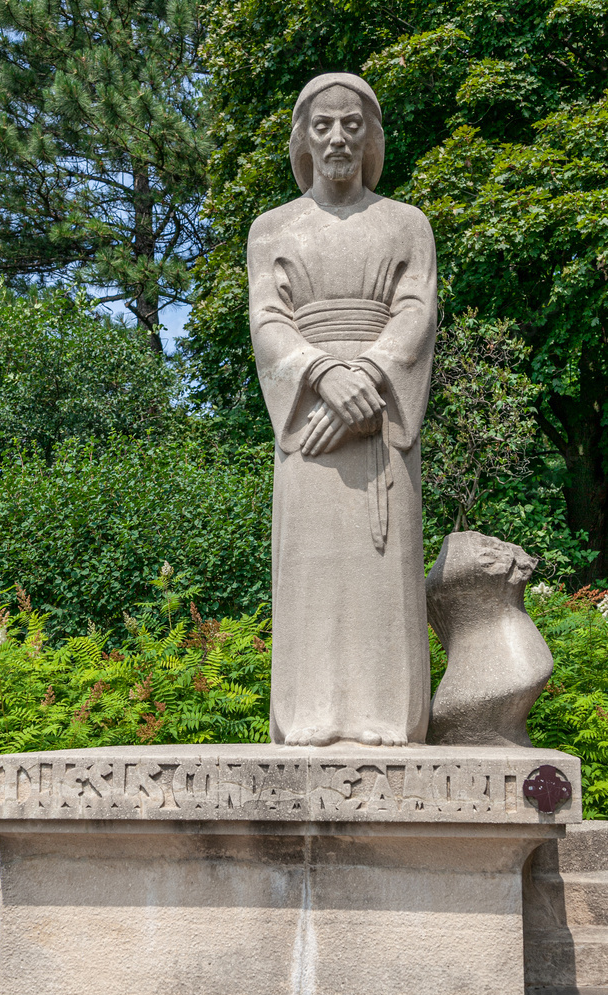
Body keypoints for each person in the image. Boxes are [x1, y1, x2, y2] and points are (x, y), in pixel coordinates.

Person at [247, 73, 437, 746]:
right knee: (312, 568)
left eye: (351, 125)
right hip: (308, 425)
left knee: (381, 570)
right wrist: (323, 373)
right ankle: (310, 714)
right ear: (303, 137)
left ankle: (384, 714)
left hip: (382, 419)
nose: (336, 138)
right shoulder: (271, 228)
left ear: (370, 137)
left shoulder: (407, 224)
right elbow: (267, 319)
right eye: (322, 125)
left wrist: (369, 378)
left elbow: (416, 311)